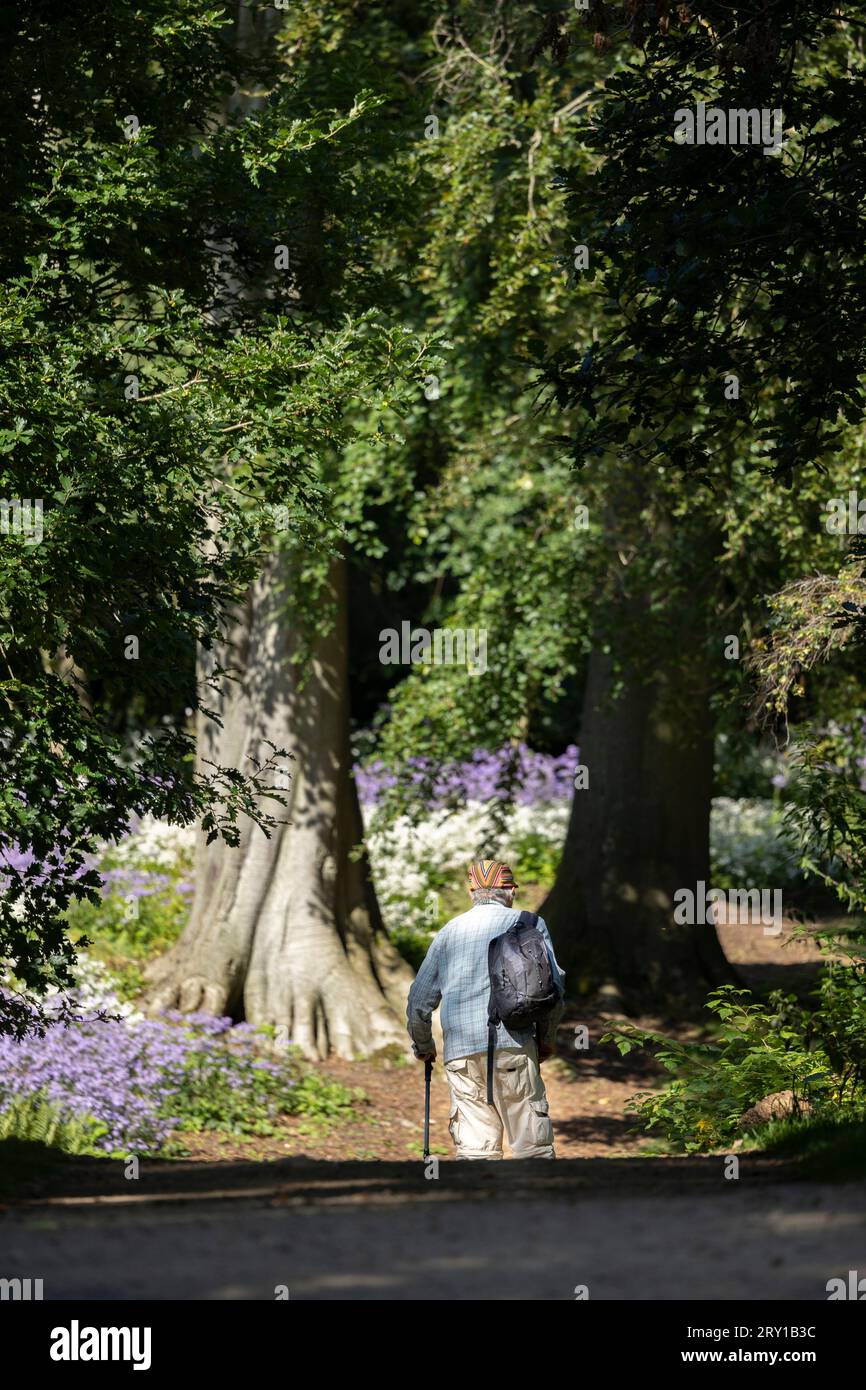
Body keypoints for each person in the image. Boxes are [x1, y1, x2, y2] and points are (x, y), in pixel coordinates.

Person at [407, 859, 566, 1160]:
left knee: (475, 1151)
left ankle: (477, 1190)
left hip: (461, 1055)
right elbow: (553, 989)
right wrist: (546, 1039)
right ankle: (535, 1192)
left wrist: (424, 1045)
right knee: (533, 1149)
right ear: (509, 890)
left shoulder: (449, 932)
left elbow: (419, 1000)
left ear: (472, 893)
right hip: (514, 1044)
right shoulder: (530, 923)